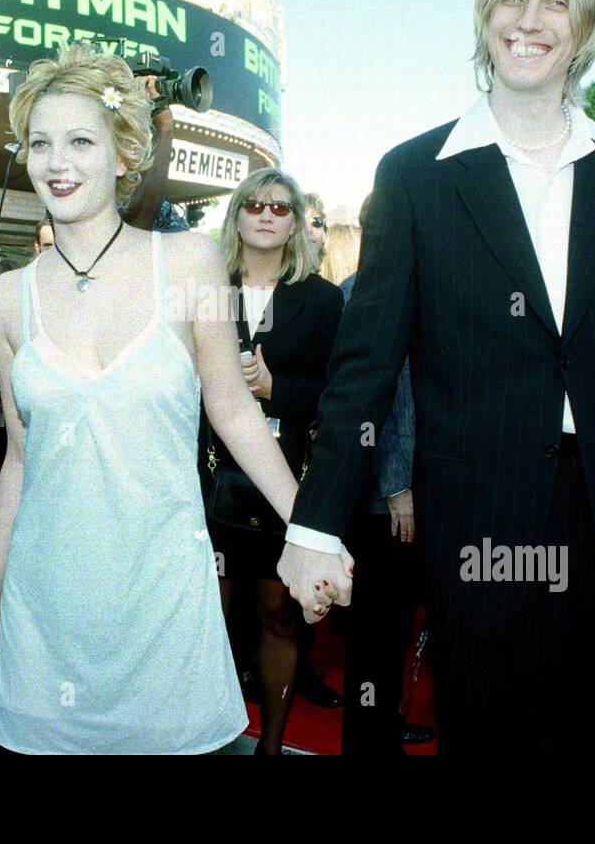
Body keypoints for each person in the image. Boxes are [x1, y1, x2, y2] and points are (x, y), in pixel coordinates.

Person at [277, 0, 595, 756]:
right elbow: (363, 365)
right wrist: (314, 525)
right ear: (486, 15)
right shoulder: (416, 173)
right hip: (479, 527)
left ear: (585, 27)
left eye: (557, 1)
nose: (529, 18)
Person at [0, 42, 302, 754]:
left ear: (122, 153)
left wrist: (310, 527)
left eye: (80, 141)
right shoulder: (4, 299)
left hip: (163, 607)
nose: (57, 162)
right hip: (46, 614)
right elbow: (19, 460)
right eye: (40, 143)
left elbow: (233, 408)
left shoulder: (188, 262)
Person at [205, 168, 344, 752]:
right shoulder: (206, 287)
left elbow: (340, 393)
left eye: (280, 208)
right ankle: (200, 736)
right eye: (255, 205)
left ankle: (271, 746)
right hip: (205, 476)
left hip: (280, 477)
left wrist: (274, 389)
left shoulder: (322, 298)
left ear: (294, 224)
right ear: (236, 214)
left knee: (277, 616)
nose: (266, 215)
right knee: (205, 619)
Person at [339, 191, 428, 754]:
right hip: (386, 499)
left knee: (396, 627)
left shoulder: (429, 285)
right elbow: (381, 397)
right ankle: (369, 742)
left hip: (428, 489)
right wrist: (397, 485)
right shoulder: (361, 292)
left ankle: (384, 725)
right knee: (378, 630)